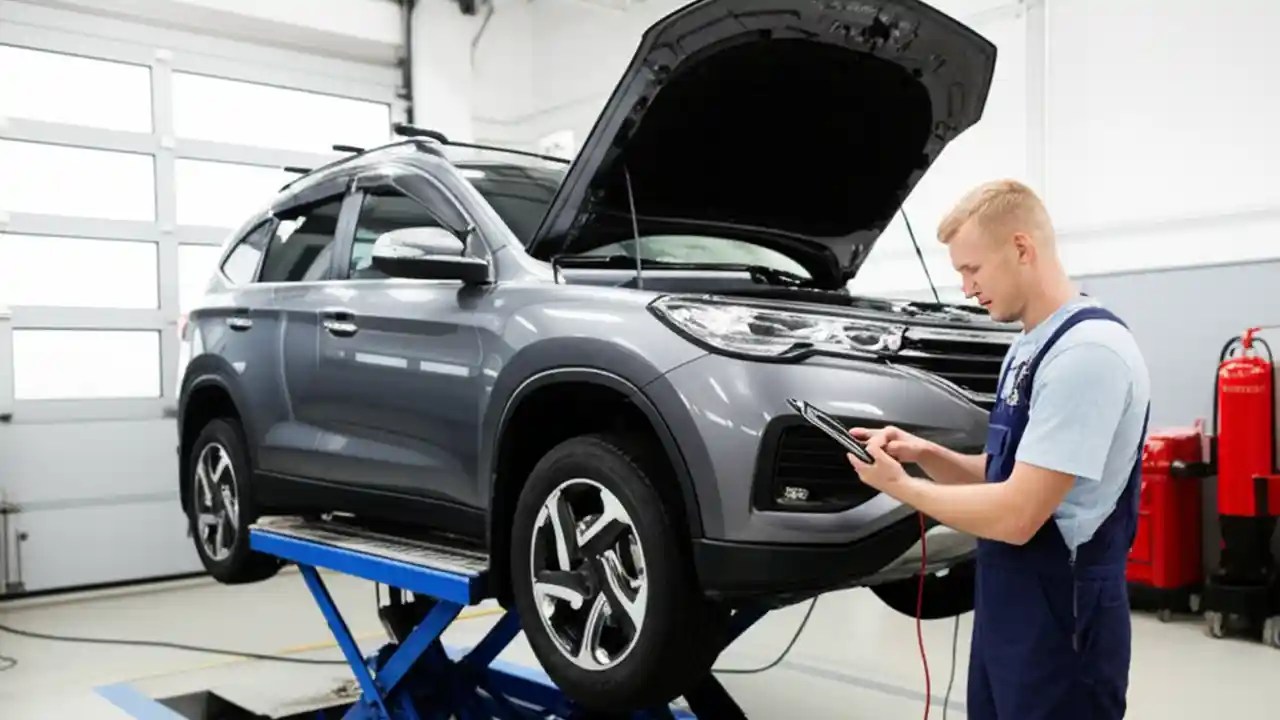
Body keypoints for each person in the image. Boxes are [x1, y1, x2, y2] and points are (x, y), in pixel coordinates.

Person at [846, 179, 1151, 720]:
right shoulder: (1029, 346)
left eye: (973, 270)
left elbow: (1017, 515)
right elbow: (1005, 475)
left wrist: (901, 487)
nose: (966, 289)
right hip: (1009, 608)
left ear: (1021, 249)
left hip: (1064, 620)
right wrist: (925, 454)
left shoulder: (1087, 355)